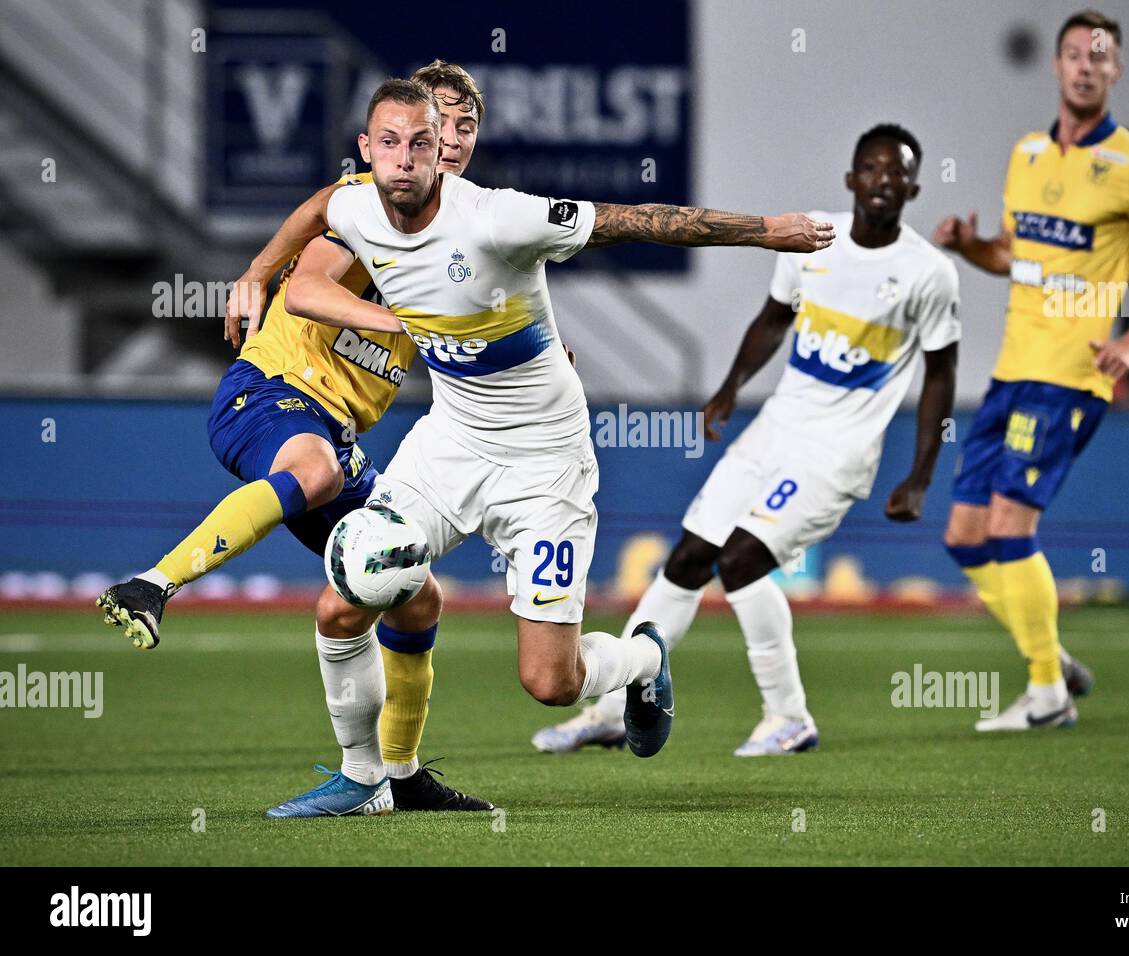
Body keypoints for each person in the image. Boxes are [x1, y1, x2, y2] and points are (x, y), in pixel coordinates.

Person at [264, 77, 835, 816]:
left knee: (550, 683)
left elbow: (638, 220)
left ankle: (643, 657)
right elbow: (316, 209)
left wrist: (765, 230)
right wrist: (253, 271)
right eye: (390, 145)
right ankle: (364, 777)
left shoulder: (499, 218)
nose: (405, 161)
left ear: (445, 154)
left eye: (423, 145)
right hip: (450, 444)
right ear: (365, 152)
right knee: (345, 602)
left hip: (544, 465)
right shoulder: (354, 208)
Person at [99, 61, 493, 810]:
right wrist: (268, 271)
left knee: (415, 591)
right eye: (427, 127)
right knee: (311, 470)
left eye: (460, 126)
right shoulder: (369, 208)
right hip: (270, 395)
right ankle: (154, 584)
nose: (441, 144)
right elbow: (310, 285)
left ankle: (391, 779)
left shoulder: (465, 240)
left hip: (338, 433)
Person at [533, 125, 960, 756]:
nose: (883, 180)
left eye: (897, 171)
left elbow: (941, 375)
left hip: (836, 455)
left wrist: (920, 475)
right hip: (775, 431)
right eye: (871, 168)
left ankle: (788, 716)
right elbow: (773, 320)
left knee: (738, 562)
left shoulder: (928, 273)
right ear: (851, 178)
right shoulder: (815, 238)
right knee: (685, 561)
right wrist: (730, 389)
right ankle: (612, 709)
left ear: (915, 186)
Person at [934, 10, 1129, 731]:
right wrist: (968, 246)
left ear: (1116, 72)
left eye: (1100, 57)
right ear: (1056, 66)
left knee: (1010, 524)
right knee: (962, 535)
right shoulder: (1025, 154)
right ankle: (1047, 655)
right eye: (1075, 54)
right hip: (1011, 372)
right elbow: (1013, 255)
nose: (1086, 66)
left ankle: (1048, 692)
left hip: (1070, 377)